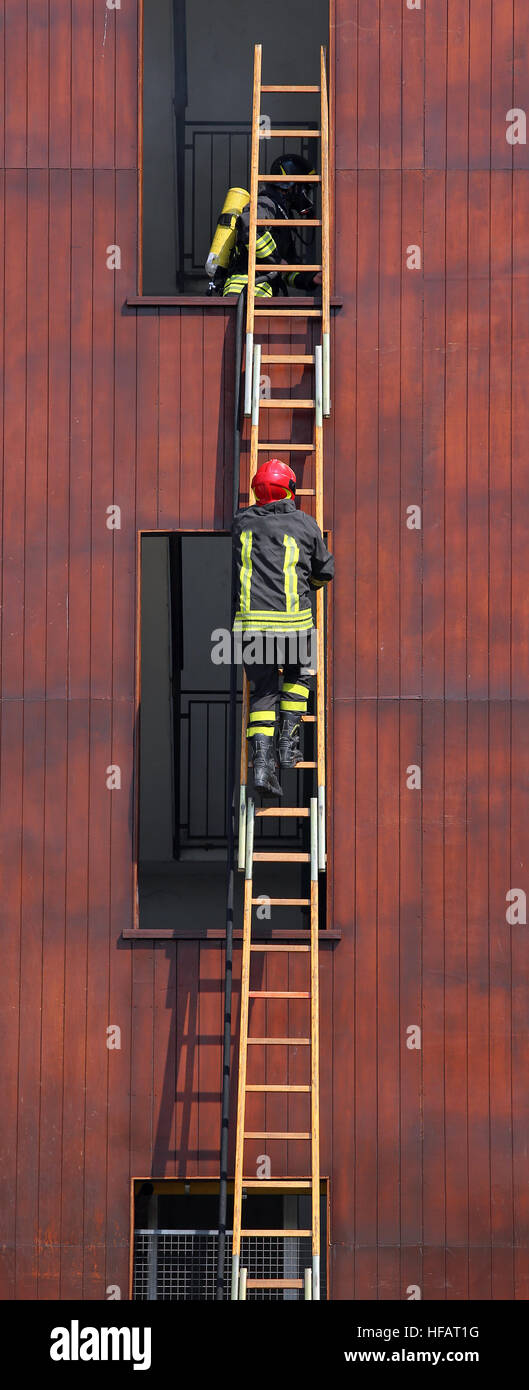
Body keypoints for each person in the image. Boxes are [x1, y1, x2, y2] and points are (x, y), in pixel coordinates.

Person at [232, 457, 334, 796]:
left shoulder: (242, 523)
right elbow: (324, 572)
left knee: (263, 691)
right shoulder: (305, 524)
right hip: (293, 627)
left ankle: (262, 769)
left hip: (250, 630)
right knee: (300, 675)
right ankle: (288, 747)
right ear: (290, 490)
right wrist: (309, 584)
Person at [206, 154, 321, 298]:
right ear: (292, 185)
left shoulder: (283, 216)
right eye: (305, 188)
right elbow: (250, 229)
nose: (306, 195)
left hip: (261, 295)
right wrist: (277, 261)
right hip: (242, 292)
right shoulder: (266, 202)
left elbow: (287, 269)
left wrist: (311, 279)